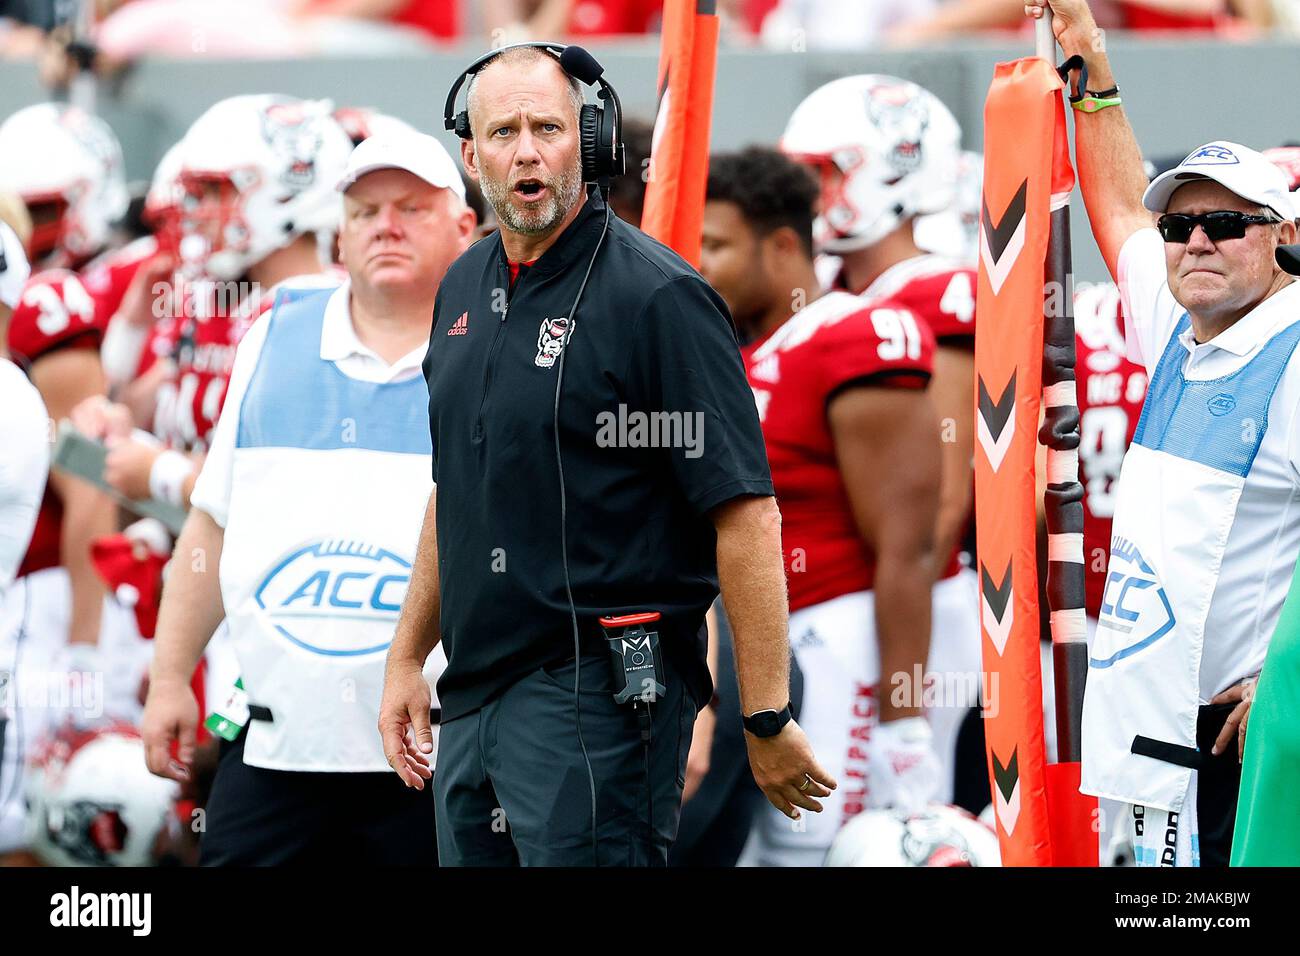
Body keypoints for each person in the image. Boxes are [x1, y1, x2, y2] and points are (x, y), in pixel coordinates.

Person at [379, 42, 832, 867]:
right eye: (504, 130)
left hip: (597, 699)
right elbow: (458, 489)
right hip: (473, 693)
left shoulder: (660, 297)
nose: (526, 149)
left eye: (547, 127)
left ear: (588, 141)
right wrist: (409, 654)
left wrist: (763, 716)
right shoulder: (462, 286)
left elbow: (746, 513)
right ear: (470, 154)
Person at [140, 130, 476, 865]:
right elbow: (212, 526)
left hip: (434, 753)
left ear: (465, 226)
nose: (385, 225)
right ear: (339, 236)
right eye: (363, 212)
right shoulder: (273, 335)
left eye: (412, 208)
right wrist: (169, 678)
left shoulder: (496, 347)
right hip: (275, 748)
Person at [1027, 0, 1300, 867]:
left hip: (1250, 736)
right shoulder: (1182, 321)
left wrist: (1287, 683)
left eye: (1227, 224)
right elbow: (1114, 208)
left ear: (1284, 237)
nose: (1195, 242)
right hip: (1153, 736)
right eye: (1182, 225)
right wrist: (1093, 70)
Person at [701, 146, 943, 866]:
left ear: (780, 247)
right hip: (749, 641)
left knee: (813, 848)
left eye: (716, 245)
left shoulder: (853, 334)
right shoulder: (738, 348)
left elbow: (909, 546)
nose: (700, 265)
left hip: (831, 635)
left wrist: (905, 722)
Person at [780, 75, 983, 807]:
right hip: (845, 596)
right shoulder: (831, 290)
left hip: (912, 602)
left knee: (882, 821)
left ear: (897, 166)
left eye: (826, 172)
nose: (809, 195)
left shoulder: (935, 290)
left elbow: (940, 499)